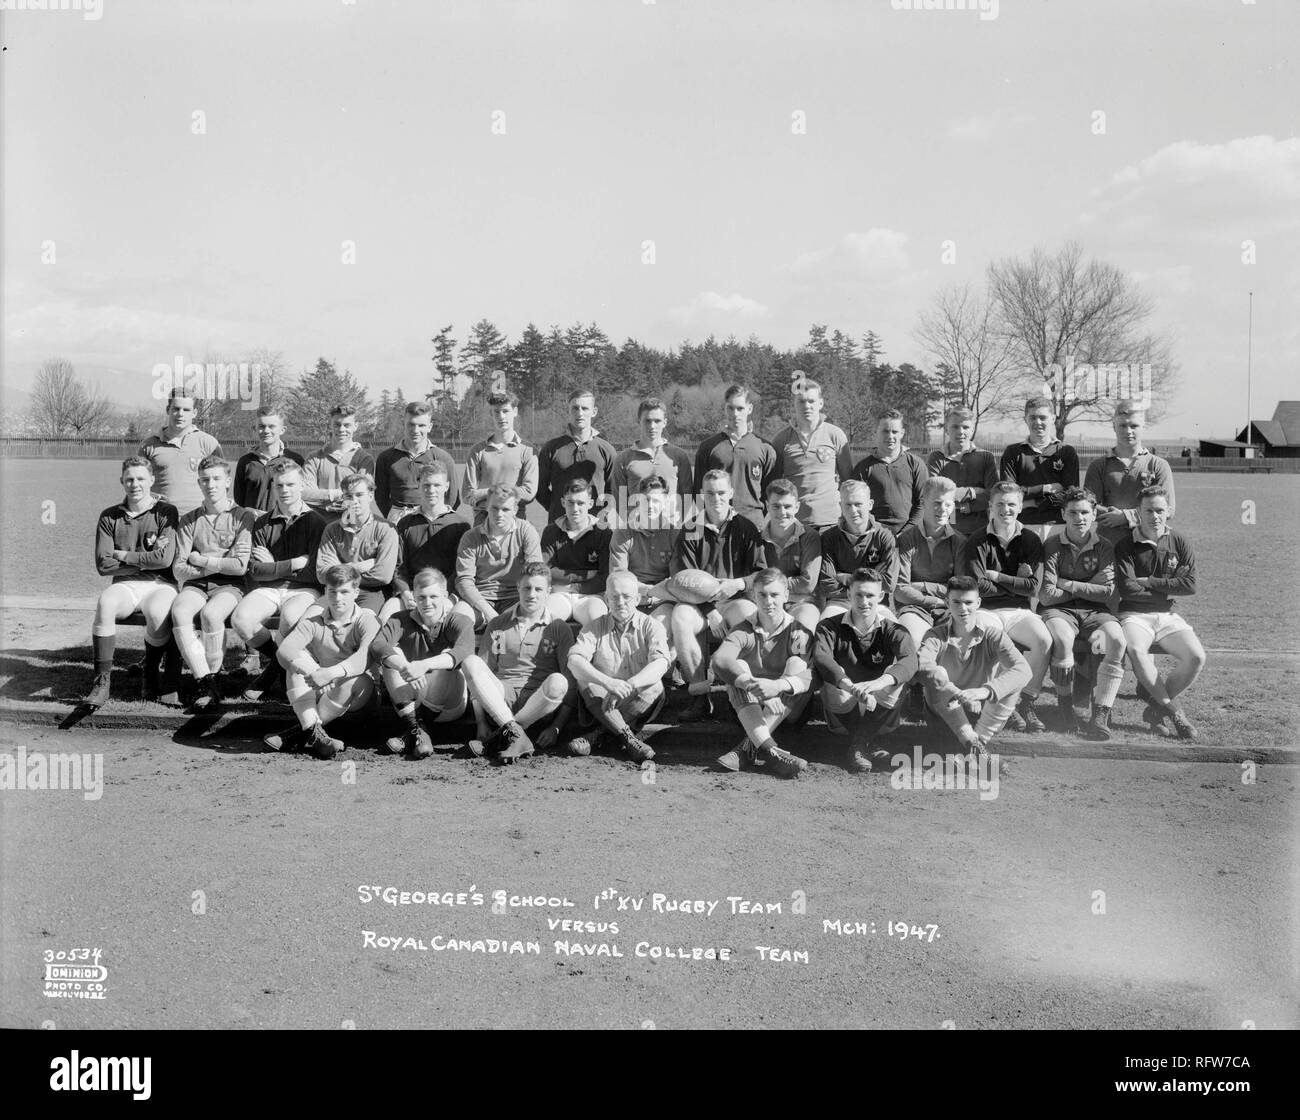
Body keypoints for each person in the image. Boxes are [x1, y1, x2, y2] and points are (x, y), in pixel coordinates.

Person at [670, 469, 767, 722]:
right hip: (699, 605)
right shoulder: (690, 529)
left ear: (731, 493)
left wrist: (738, 583)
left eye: (722, 492)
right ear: (702, 494)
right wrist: (708, 610)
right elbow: (681, 580)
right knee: (680, 617)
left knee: (749, 617)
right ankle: (700, 696)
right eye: (710, 493)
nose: (716, 498)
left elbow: (761, 574)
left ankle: (747, 695)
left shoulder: (746, 527)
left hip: (735, 600)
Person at [86, 457, 180, 707]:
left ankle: (150, 672)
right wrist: (146, 559)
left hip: (161, 584)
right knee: (106, 603)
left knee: (159, 613)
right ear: (121, 481)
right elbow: (104, 565)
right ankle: (102, 683)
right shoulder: (109, 516)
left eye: (140, 479)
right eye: (129, 479)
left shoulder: (166, 512)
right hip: (126, 584)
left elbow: (164, 560)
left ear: (151, 480)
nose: (134, 484)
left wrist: (125, 555)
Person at [960, 481, 1052, 733]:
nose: (1006, 509)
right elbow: (977, 586)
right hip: (986, 610)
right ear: (990, 506)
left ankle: (1025, 702)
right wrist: (1017, 582)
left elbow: (1033, 587)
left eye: (1012, 504)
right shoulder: (977, 540)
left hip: (1020, 611)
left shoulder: (1031, 540)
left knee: (1043, 639)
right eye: (999, 504)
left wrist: (999, 578)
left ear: (1021, 507)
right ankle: (1000, 703)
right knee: (995, 643)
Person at [461, 563, 576, 762]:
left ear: (548, 591)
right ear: (518, 588)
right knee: (471, 662)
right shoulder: (498, 624)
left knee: (559, 681)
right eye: (527, 588)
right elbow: (481, 677)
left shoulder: (559, 627)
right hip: (500, 702)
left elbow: (570, 683)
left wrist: (556, 728)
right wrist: (481, 723)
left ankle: (505, 734)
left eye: (538, 589)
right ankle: (515, 733)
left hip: (539, 705)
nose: (532, 594)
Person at [232, 458, 326, 701]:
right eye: (279, 485)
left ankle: (269, 675)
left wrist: (272, 565)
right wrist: (293, 564)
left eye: (291, 485)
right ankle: (279, 663)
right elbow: (254, 570)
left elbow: (314, 571)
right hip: (270, 589)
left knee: (292, 618)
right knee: (241, 620)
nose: (285, 491)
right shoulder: (262, 523)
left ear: (301, 485)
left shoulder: (315, 522)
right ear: (272, 487)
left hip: (304, 589)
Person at [262, 564, 379, 759]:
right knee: (295, 663)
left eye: (344, 592)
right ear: (325, 591)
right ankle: (315, 734)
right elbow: (284, 651)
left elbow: (364, 658)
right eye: (332, 591)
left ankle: (300, 732)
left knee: (354, 680)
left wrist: (330, 674)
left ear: (356, 592)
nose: (338, 598)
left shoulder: (367, 620)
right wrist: (314, 671)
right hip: (323, 693)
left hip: (359, 701)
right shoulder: (313, 621)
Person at [1115, 486, 1203, 740]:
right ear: (1138, 513)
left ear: (1168, 512)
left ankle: (1155, 710)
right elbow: (1127, 589)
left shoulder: (1179, 541)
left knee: (1196, 657)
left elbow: (1191, 585)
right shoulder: (1125, 544)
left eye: (1160, 510)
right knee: (1137, 651)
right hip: (1133, 615)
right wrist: (1166, 586)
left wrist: (1149, 582)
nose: (1155, 516)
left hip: (1166, 614)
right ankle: (1176, 713)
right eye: (1149, 510)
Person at [170, 456, 258, 711]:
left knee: (210, 615)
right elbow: (178, 569)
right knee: (180, 611)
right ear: (199, 483)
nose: (211, 484)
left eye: (217, 479)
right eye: (205, 480)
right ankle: (205, 681)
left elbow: (239, 566)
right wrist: (220, 560)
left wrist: (201, 559)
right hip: (196, 585)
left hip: (231, 586)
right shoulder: (189, 520)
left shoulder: (243, 517)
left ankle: (215, 674)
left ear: (228, 481)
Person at [1039, 487, 1126, 740]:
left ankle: (1100, 712)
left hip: (1096, 612)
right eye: (1073, 512)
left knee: (1117, 640)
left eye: (1085, 512)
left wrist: (1067, 584)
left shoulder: (1105, 546)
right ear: (1063, 514)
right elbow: (1046, 595)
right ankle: (1065, 706)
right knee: (1064, 640)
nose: (1080, 518)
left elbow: (1107, 593)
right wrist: (1089, 587)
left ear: (1094, 514)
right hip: (1058, 610)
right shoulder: (1052, 544)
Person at [711, 569, 815, 778]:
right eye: (762, 595)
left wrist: (776, 687)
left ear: (786, 595)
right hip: (750, 708)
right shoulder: (744, 629)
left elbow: (812, 675)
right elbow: (720, 661)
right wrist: (755, 688)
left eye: (774, 595)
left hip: (789, 710)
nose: (769, 601)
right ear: (753, 596)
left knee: (796, 663)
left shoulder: (798, 632)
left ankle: (748, 746)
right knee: (738, 666)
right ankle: (770, 750)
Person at [813, 567, 918, 773]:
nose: (864, 601)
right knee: (832, 673)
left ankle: (860, 743)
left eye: (870, 595)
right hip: (843, 712)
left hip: (880, 714)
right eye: (858, 594)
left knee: (894, 673)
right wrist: (850, 686)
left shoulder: (894, 629)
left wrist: (879, 683)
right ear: (848, 594)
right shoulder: (828, 626)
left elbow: (910, 661)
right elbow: (821, 658)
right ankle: (866, 743)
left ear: (880, 596)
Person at [916, 577, 1032, 762]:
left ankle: (977, 744)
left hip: (981, 715)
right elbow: (922, 667)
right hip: (943, 712)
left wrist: (984, 691)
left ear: (978, 603)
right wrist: (960, 694)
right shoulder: (935, 635)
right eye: (956, 602)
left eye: (968, 602)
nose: (963, 609)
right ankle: (973, 743)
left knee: (1012, 680)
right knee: (937, 674)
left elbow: (1024, 670)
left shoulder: (993, 635)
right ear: (947, 602)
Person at [370, 568, 476, 759]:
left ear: (445, 595)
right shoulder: (400, 619)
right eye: (421, 597)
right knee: (394, 655)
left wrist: (424, 665)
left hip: (448, 705)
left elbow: (464, 650)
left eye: (433, 596)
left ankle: (412, 730)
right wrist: (404, 666)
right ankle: (417, 730)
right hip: (410, 699)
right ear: (414, 596)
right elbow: (378, 645)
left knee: (446, 658)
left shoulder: (458, 620)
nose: (427, 603)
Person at [566, 571, 671, 761]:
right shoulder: (594, 627)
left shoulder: (652, 626)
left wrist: (629, 685)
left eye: (626, 596)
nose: (620, 602)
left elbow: (661, 663)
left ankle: (599, 734)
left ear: (638, 599)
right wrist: (608, 683)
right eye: (614, 596)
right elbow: (574, 661)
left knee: (655, 684)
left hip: (637, 697)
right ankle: (628, 738)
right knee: (584, 679)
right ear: (606, 598)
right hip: (603, 695)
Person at [383, 460, 471, 623]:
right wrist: (405, 593)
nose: (431, 490)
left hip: (446, 595)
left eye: (437, 485)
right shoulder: (405, 523)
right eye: (426, 485)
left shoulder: (460, 525)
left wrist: (448, 596)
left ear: (446, 486)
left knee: (458, 621)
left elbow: (461, 569)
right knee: (384, 618)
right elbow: (398, 566)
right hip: (413, 594)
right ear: (419, 485)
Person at [1084, 399, 1177, 549]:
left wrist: (1126, 517)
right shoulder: (1098, 466)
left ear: (1143, 427)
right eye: (1122, 425)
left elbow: (1169, 510)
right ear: (1114, 426)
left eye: (1134, 426)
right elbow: (1088, 507)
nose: (1128, 431)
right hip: (1107, 546)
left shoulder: (1159, 465)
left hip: (1148, 546)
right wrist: (1112, 515)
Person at [452, 485, 544, 629]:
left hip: (516, 598)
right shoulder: (471, 537)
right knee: (457, 620)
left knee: (527, 620)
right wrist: (488, 611)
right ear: (487, 506)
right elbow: (464, 581)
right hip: (480, 599)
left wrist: (511, 612)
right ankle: (461, 652)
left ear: (515, 510)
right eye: (495, 508)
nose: (499, 514)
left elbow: (535, 573)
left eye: (505, 509)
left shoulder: (526, 531)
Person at [893, 476, 967, 654]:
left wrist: (924, 586)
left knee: (957, 646)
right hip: (914, 608)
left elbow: (961, 588)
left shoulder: (960, 542)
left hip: (950, 608)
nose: (943, 510)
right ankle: (913, 682)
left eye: (948, 505)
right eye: (937, 503)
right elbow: (901, 590)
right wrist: (936, 599)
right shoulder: (906, 539)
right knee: (915, 642)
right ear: (923, 502)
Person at [770, 376, 853, 533]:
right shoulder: (781, 439)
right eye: (801, 401)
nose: (806, 406)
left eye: (811, 401)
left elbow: (848, 481)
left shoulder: (835, 435)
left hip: (831, 522)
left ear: (820, 403)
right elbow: (774, 484)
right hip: (795, 523)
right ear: (794, 405)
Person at [608, 474, 679, 645]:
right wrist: (647, 591)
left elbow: (676, 579)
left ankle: (663, 670)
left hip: (663, 600)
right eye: (646, 500)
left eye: (656, 501)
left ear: (665, 502)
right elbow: (618, 576)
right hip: (630, 597)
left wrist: (657, 594)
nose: (650, 506)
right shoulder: (623, 533)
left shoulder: (674, 533)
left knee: (658, 627)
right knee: (629, 635)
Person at [693, 384, 778, 528]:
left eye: (740, 408)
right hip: (718, 524)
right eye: (730, 408)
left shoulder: (765, 448)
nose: (735, 414)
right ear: (724, 408)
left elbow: (771, 492)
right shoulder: (708, 447)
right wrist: (704, 523)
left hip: (754, 524)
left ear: (749, 409)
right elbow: (698, 492)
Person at [314, 472, 398, 614]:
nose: (354, 501)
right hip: (336, 591)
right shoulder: (332, 529)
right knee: (309, 617)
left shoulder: (386, 529)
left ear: (370, 496)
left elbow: (383, 575)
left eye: (359, 495)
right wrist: (359, 566)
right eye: (348, 496)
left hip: (371, 593)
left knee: (363, 623)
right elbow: (322, 574)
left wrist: (339, 569)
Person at [817, 480, 899, 621]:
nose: (853, 510)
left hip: (876, 603)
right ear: (840, 506)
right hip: (839, 603)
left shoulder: (885, 535)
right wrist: (872, 577)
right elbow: (827, 585)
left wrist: (844, 577)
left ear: (870, 504)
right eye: (848, 505)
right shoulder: (829, 537)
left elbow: (888, 584)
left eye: (858, 504)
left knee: (898, 632)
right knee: (823, 627)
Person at [999, 396, 1079, 539]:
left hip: (1058, 525)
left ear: (1053, 418)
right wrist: (1046, 489)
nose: (1038, 422)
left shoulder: (1067, 452)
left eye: (1043, 417)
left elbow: (1070, 495)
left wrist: (1032, 501)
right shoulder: (1012, 452)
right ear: (1025, 419)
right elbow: (1008, 493)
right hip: (1022, 525)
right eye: (1033, 417)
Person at [536, 388, 618, 522]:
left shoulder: (606, 449)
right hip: (559, 526)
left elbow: (614, 490)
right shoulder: (551, 448)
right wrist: (557, 507)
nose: (579, 413)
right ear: (569, 411)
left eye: (585, 408)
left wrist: (603, 512)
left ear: (594, 412)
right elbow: (540, 489)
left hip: (596, 527)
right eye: (575, 408)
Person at [137, 390, 223, 515]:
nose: (180, 414)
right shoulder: (148, 445)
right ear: (168, 410)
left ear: (194, 413)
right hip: (159, 518)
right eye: (176, 409)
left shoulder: (209, 444)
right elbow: (138, 482)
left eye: (186, 410)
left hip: (199, 519)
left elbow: (222, 483)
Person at [374, 401, 460, 524]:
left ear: (430, 426)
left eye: (421, 425)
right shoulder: (386, 458)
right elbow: (380, 496)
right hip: (397, 519)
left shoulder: (443, 458)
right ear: (403, 424)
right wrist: (393, 517)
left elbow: (453, 497)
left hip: (431, 518)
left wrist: (438, 518)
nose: (415, 430)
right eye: (411, 424)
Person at [540, 479, 611, 626]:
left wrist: (572, 586)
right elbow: (546, 571)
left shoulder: (603, 533)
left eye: (581, 503)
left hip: (592, 595)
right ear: (562, 502)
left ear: (590, 504)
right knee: (545, 619)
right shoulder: (551, 531)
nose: (575, 508)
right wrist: (586, 574)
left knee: (598, 620)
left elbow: (604, 577)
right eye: (570, 502)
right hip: (559, 594)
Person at [849, 410, 928, 537]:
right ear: (876, 433)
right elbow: (858, 507)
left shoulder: (916, 464)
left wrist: (907, 532)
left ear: (902, 433)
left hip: (910, 537)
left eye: (895, 431)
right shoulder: (863, 468)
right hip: (875, 537)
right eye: (885, 431)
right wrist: (879, 534)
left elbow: (923, 503)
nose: (890, 436)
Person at [462, 389, 538, 521]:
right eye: (496, 412)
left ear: (515, 412)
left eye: (505, 411)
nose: (501, 417)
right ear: (491, 414)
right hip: (483, 519)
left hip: (516, 518)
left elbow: (529, 492)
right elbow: (467, 494)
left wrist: (486, 492)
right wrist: (508, 491)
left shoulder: (528, 450)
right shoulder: (477, 450)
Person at [611, 397, 693, 519]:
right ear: (639, 421)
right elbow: (619, 502)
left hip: (670, 531)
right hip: (637, 531)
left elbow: (687, 497)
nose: (652, 426)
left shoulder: (679, 456)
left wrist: (676, 527)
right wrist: (633, 524)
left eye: (657, 421)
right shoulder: (623, 459)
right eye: (647, 421)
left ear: (665, 422)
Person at [758, 479, 822, 634]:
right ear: (767, 506)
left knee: (800, 633)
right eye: (776, 506)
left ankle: (800, 658)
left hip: (802, 603)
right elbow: (756, 580)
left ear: (797, 507)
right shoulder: (758, 538)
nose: (782, 512)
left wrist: (773, 585)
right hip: (768, 602)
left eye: (787, 506)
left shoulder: (810, 537)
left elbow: (807, 583)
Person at [926, 407, 998, 535]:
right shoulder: (936, 458)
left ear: (972, 429)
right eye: (955, 427)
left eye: (965, 427)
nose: (960, 432)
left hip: (980, 530)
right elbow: (935, 495)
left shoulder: (986, 458)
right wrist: (972, 491)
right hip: (946, 530)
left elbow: (992, 495)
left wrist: (965, 506)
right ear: (947, 429)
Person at [302, 403, 378, 522]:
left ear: (355, 426)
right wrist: (335, 495)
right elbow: (304, 494)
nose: (341, 429)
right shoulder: (314, 458)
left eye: (347, 425)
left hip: (351, 522)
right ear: (330, 425)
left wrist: (322, 501)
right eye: (337, 425)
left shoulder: (364, 459)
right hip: (318, 523)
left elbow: (362, 496)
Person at [233, 406, 304, 512]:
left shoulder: (295, 460)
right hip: (252, 524)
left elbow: (302, 496)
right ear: (254, 429)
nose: (266, 431)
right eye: (261, 426)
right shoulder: (245, 462)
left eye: (271, 426)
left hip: (285, 523)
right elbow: (239, 500)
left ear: (282, 430)